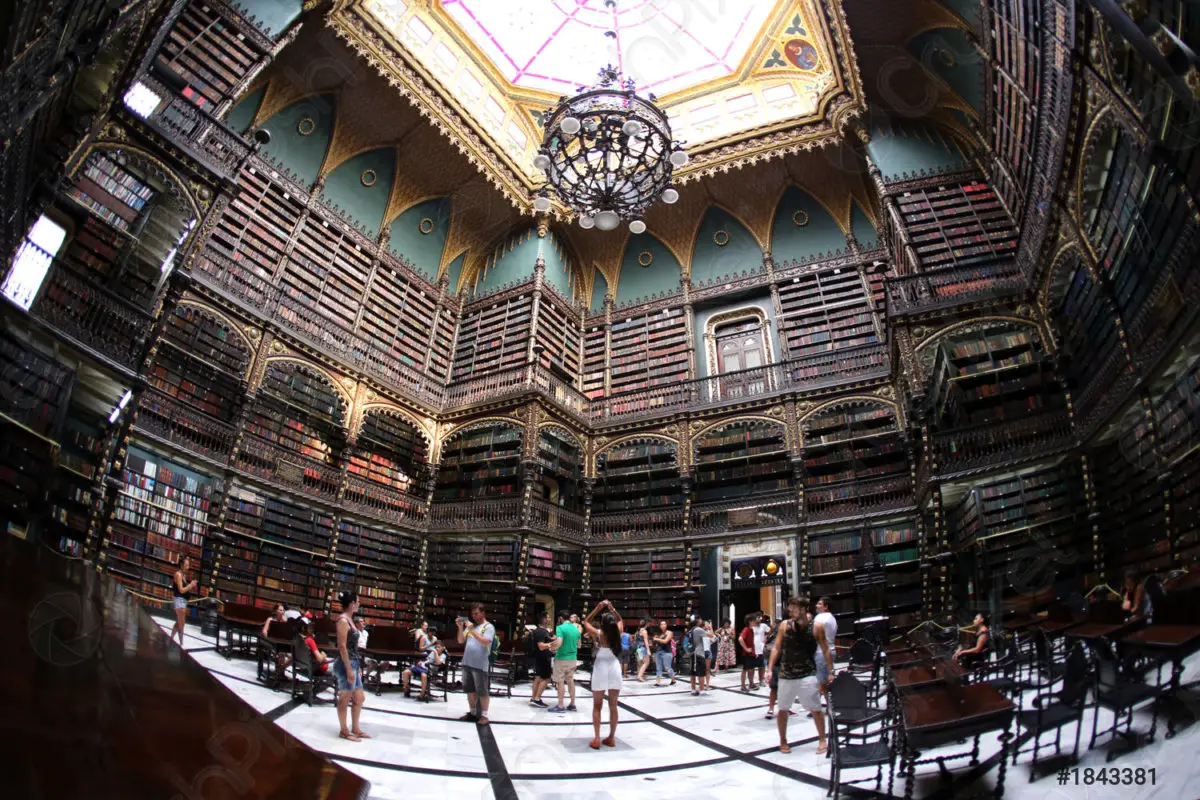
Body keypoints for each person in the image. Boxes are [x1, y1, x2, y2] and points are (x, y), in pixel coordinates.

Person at [766, 596, 832, 755]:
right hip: (786, 674)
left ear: (803, 609)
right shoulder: (784, 626)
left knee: (815, 708)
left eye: (793, 608)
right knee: (783, 709)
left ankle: (822, 739)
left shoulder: (816, 627)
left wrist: (831, 670)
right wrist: (769, 669)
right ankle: (783, 740)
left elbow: (826, 649)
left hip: (807, 673)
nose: (790, 611)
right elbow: (776, 648)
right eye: (790, 608)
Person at [582, 600, 624, 749]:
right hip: (614, 667)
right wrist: (612, 609)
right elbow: (620, 620)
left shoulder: (599, 634)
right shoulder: (618, 631)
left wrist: (597, 607)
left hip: (600, 666)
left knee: (597, 706)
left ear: (603, 624)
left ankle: (597, 738)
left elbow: (585, 621)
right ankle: (611, 738)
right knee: (613, 705)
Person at [334, 591, 369, 742]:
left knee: (359, 698)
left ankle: (355, 728)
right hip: (345, 663)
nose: (359, 604)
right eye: (358, 601)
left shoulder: (351, 619)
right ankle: (344, 730)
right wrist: (349, 669)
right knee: (345, 697)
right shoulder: (343, 620)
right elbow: (342, 646)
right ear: (352, 604)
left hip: (354, 662)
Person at [457, 602, 495, 725]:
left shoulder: (488, 627)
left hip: (480, 665)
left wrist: (472, 631)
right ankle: (473, 713)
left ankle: (484, 716)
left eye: (476, 613)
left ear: (483, 613)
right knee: (470, 690)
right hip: (467, 663)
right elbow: (460, 640)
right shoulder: (471, 627)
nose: (474, 616)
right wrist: (460, 627)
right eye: (472, 614)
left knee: (482, 691)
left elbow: (485, 642)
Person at [548, 610, 582, 713]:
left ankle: (560, 705)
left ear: (561, 618)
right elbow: (579, 645)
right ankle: (572, 704)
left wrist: (551, 647)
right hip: (573, 658)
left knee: (560, 681)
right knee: (570, 680)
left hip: (562, 658)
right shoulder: (576, 629)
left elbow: (559, 642)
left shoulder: (560, 628)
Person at [529, 612, 555, 708]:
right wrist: (552, 644)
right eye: (548, 617)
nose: (549, 619)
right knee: (546, 678)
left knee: (538, 677)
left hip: (539, 657)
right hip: (543, 657)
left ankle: (533, 698)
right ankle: (537, 698)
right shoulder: (541, 631)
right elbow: (540, 646)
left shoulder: (541, 631)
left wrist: (551, 640)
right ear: (543, 619)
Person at [170, 557, 197, 647]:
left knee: (180, 622)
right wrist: (191, 585)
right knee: (182, 623)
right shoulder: (178, 575)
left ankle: (171, 638)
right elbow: (181, 590)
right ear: (181, 565)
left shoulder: (183, 575)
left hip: (183, 601)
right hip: (179, 601)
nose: (188, 567)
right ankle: (181, 644)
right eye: (186, 565)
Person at [813, 597, 838, 691]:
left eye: (819, 604)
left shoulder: (820, 618)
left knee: (820, 682)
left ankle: (816, 704)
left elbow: (813, 634)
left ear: (826, 607)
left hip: (821, 653)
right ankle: (829, 703)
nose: (816, 605)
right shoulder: (832, 618)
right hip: (831, 650)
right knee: (826, 681)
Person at [261, 603, 292, 680]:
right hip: (271, 642)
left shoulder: (284, 621)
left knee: (292, 656)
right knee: (281, 653)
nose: (282, 612)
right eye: (280, 610)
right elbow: (264, 631)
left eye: (283, 610)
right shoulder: (270, 619)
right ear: (275, 611)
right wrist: (270, 638)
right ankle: (280, 673)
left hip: (281, 643)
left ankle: (280, 670)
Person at [652, 619, 676, 686]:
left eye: (664, 624)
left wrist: (657, 639)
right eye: (661, 624)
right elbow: (655, 643)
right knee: (658, 668)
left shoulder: (669, 632)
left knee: (667, 667)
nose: (663, 625)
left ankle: (673, 679)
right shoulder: (659, 634)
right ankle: (658, 682)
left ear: (666, 625)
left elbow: (665, 641)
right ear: (660, 626)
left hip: (667, 652)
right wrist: (655, 639)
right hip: (658, 652)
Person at [689, 617, 709, 695]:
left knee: (693, 672)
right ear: (697, 622)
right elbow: (710, 635)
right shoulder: (698, 629)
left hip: (692, 653)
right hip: (699, 654)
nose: (702, 620)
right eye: (700, 619)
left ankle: (693, 689)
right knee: (701, 672)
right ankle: (702, 690)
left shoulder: (691, 630)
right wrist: (709, 627)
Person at [739, 613, 758, 691]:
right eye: (754, 620)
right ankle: (743, 685)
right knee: (745, 669)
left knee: (751, 669)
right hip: (747, 654)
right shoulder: (746, 629)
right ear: (750, 621)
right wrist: (746, 649)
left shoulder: (751, 630)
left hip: (751, 653)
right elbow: (740, 639)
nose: (755, 622)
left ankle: (751, 683)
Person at [754, 613, 771, 687]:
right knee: (752, 666)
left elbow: (770, 631)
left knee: (762, 665)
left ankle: (761, 680)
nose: (758, 619)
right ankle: (751, 681)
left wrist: (767, 637)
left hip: (761, 647)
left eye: (759, 617)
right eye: (756, 617)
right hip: (754, 648)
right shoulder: (752, 626)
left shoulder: (763, 626)